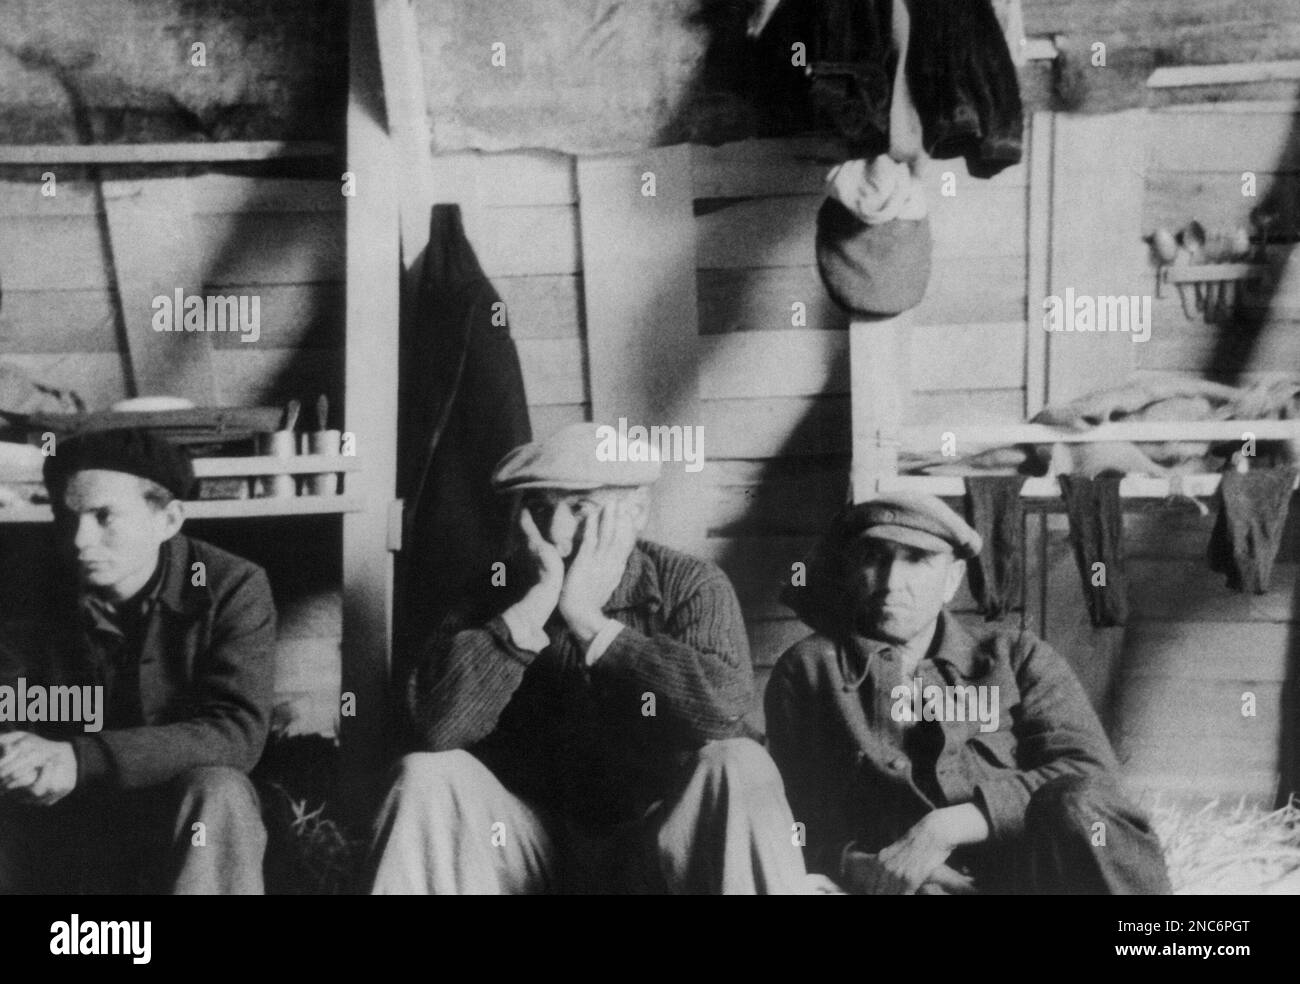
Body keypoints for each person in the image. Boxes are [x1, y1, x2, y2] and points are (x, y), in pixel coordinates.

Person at [369, 422, 806, 894]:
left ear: (636, 511)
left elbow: (721, 714)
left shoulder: (691, 584)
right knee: (425, 775)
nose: (555, 534)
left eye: (580, 509)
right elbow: (435, 728)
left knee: (740, 762)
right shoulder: (493, 588)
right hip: (527, 851)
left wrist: (589, 622)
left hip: (654, 854)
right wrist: (534, 607)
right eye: (539, 509)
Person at [765, 492, 1171, 894]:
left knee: (1079, 802)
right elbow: (797, 823)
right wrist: (872, 867)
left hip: (1030, 877)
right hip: (901, 888)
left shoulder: (1015, 657)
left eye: (917, 559)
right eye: (875, 556)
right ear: (854, 567)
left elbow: (1094, 781)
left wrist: (946, 827)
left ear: (953, 578)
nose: (891, 583)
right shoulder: (809, 670)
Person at [0, 428, 275, 894]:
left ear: (167, 519)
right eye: (66, 519)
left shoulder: (232, 586)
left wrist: (82, 759)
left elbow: (236, 733)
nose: (80, 539)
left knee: (219, 789)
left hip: (174, 814)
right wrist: (17, 756)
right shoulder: (25, 585)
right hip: (61, 820)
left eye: (104, 516)